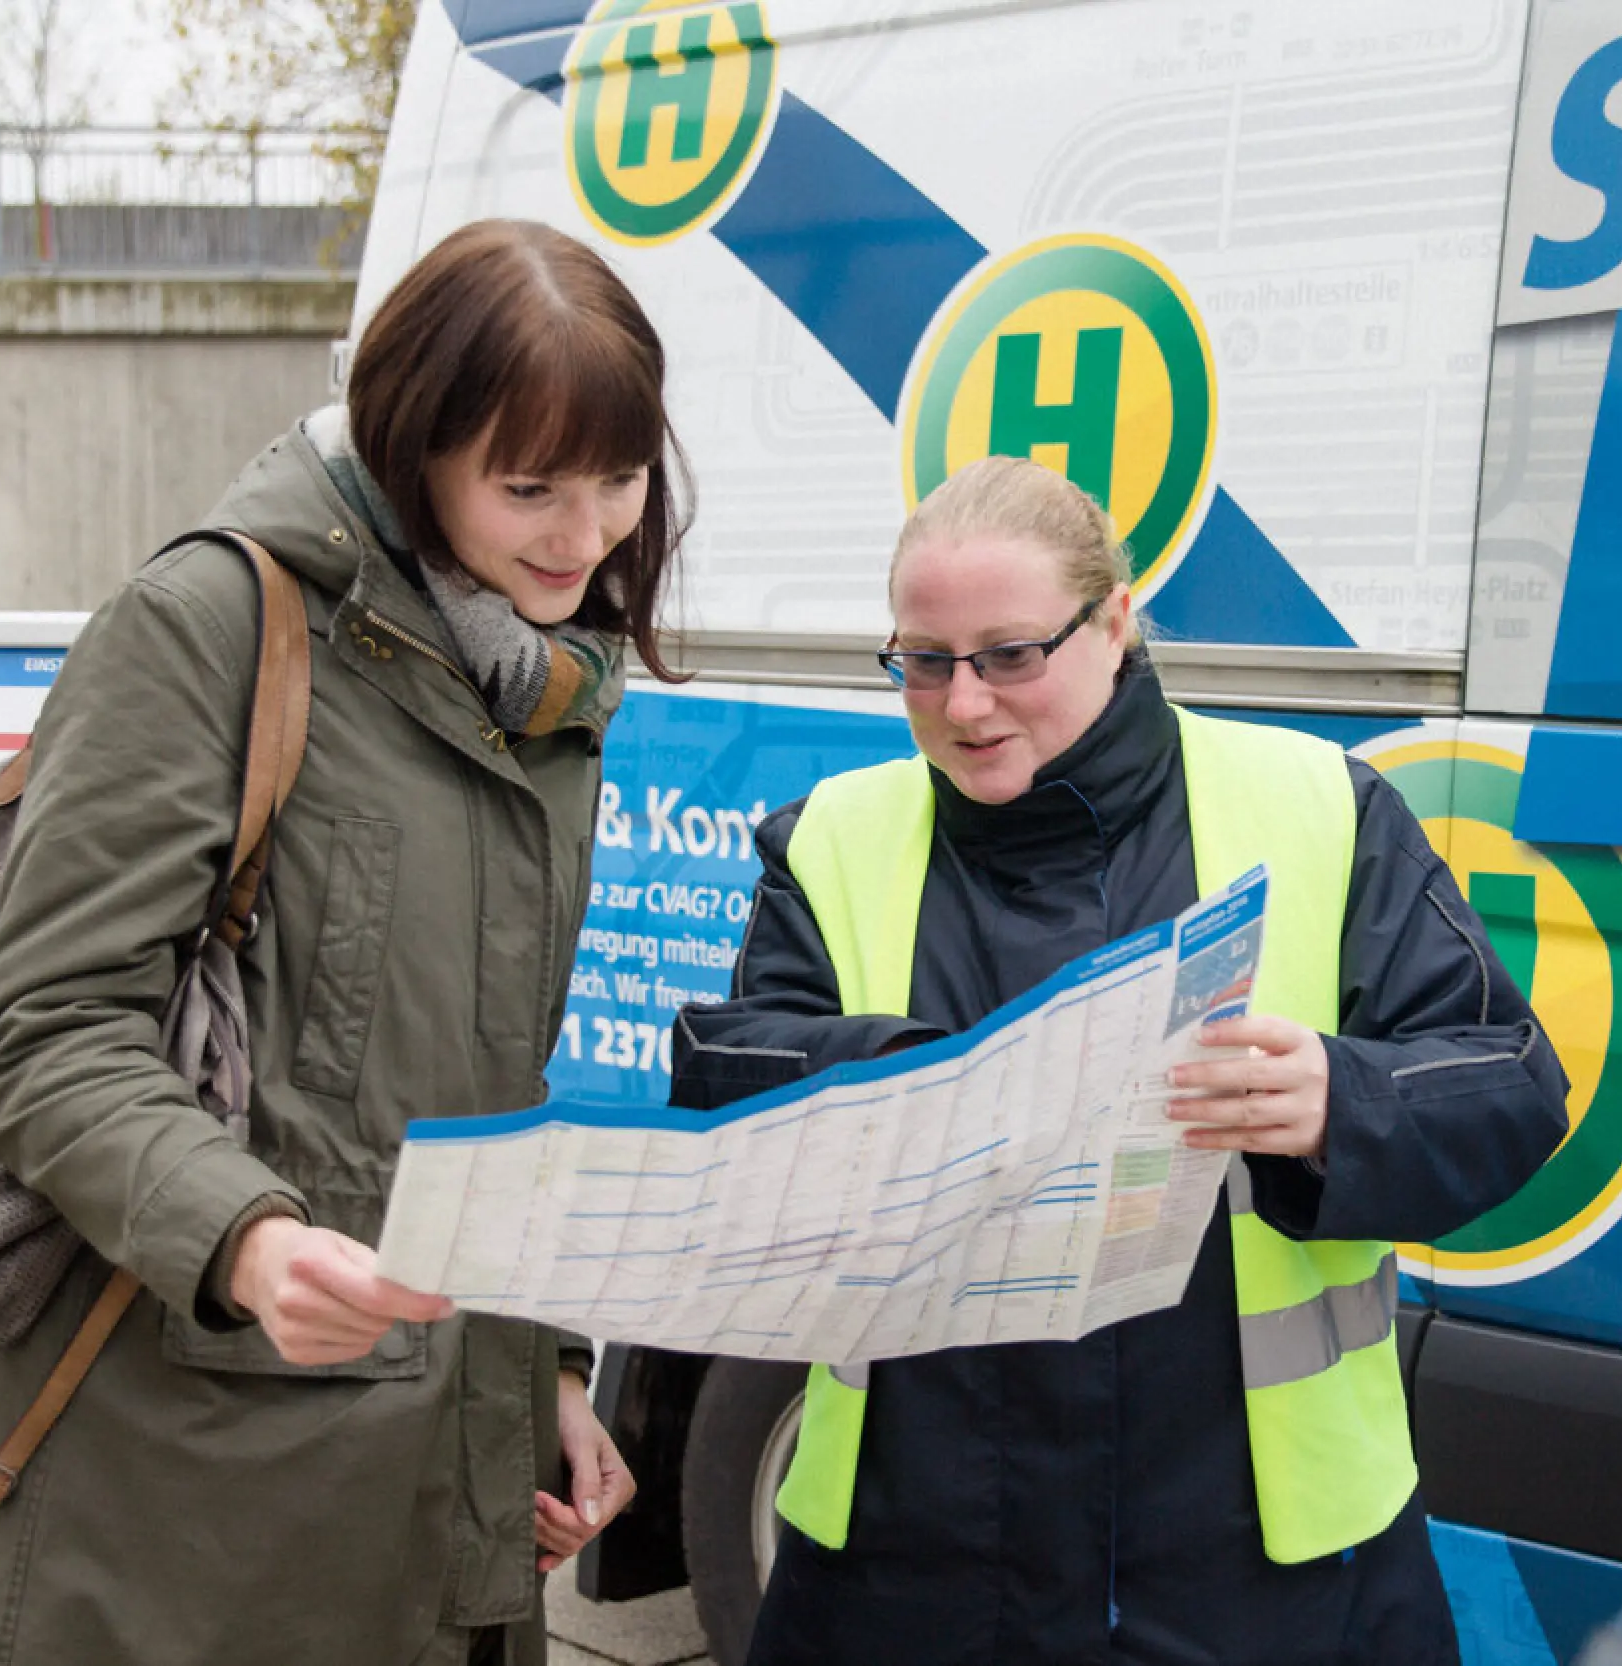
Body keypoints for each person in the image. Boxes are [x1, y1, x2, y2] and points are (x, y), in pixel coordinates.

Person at [672, 455, 1572, 1665]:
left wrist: (1334, 1101)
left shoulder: (1319, 805)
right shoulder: (834, 836)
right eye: (923, 661)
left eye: (1009, 655)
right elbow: (740, 1081)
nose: (965, 704)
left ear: (1113, 621)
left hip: (1256, 1584)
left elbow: (1511, 1082)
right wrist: (922, 1077)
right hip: (908, 1574)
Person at [0, 219, 684, 1665]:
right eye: (531, 486)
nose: (585, 536)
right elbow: (39, 1036)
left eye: (621, 480)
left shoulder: (541, 687)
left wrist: (549, 1379)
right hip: (180, 1515)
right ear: (416, 446)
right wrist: (249, 1238)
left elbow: (471, 1095)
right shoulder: (209, 623)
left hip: (439, 1512)